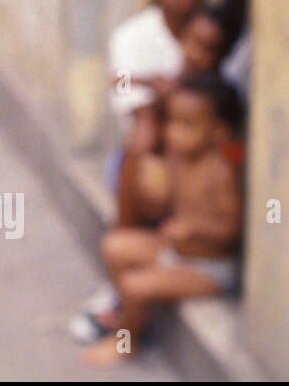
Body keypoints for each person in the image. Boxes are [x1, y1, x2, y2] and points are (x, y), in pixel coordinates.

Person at [83, 72, 244, 367]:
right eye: (171, 121)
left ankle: (126, 343)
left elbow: (231, 228)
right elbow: (164, 205)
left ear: (219, 131)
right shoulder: (178, 158)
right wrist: (155, 194)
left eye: (187, 125)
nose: (173, 132)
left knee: (133, 285)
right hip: (176, 251)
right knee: (114, 245)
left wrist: (193, 229)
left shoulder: (220, 169)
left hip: (209, 269)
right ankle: (131, 316)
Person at [107, 0, 207, 228]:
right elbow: (130, 97)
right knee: (145, 130)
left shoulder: (215, 34)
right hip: (156, 144)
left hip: (204, 143)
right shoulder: (130, 37)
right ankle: (124, 233)